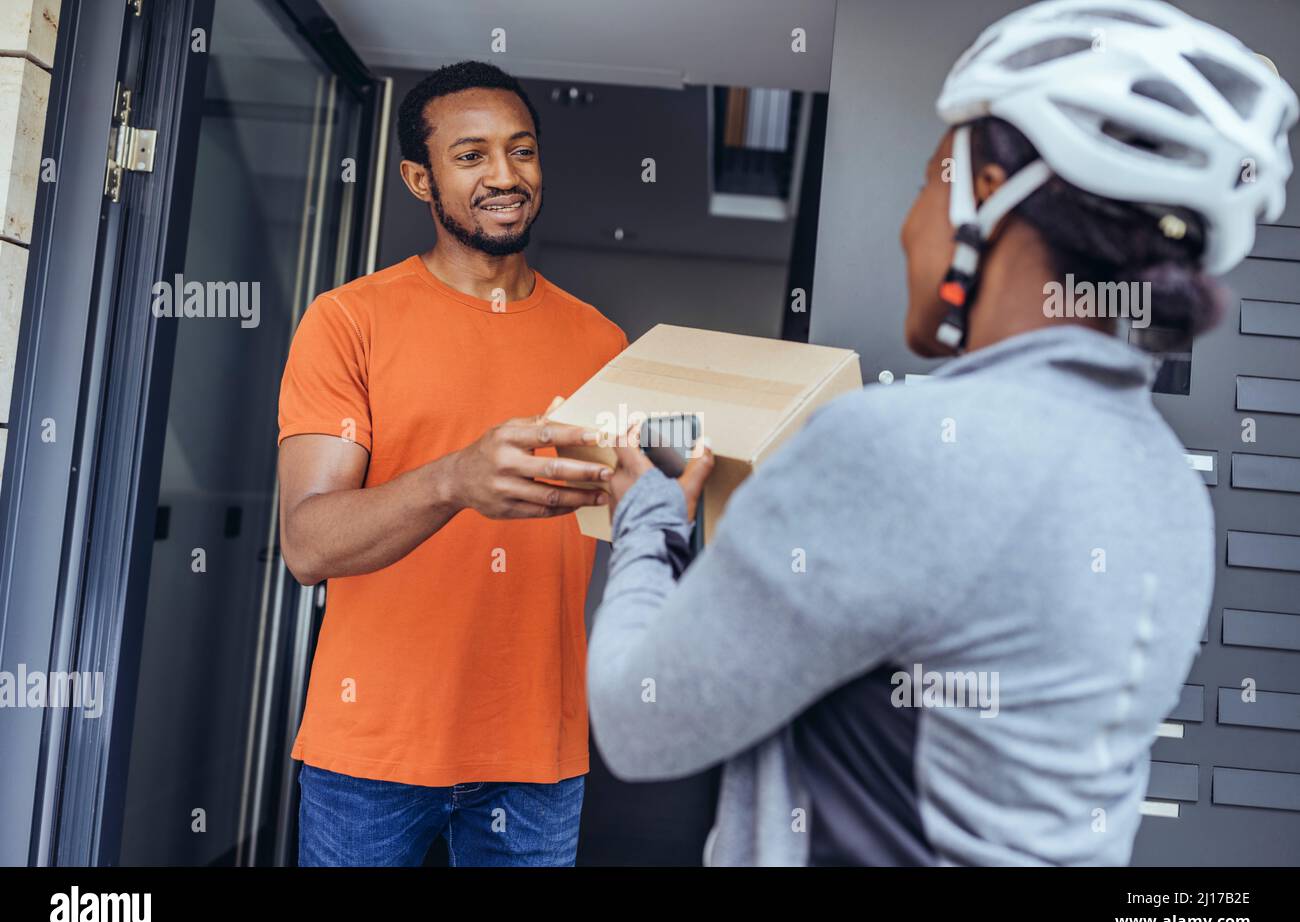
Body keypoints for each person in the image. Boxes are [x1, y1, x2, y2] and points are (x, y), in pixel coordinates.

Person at [586, 0, 1297, 865]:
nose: (907, 225)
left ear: (989, 199)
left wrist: (647, 519)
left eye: (931, 178)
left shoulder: (899, 446)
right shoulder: (1167, 488)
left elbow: (639, 720)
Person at [277, 61, 627, 866]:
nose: (505, 176)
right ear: (419, 178)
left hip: (537, 750)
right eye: (470, 156)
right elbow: (309, 545)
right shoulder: (347, 323)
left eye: (522, 150)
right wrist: (451, 481)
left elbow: (624, 514)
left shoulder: (602, 343)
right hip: (371, 747)